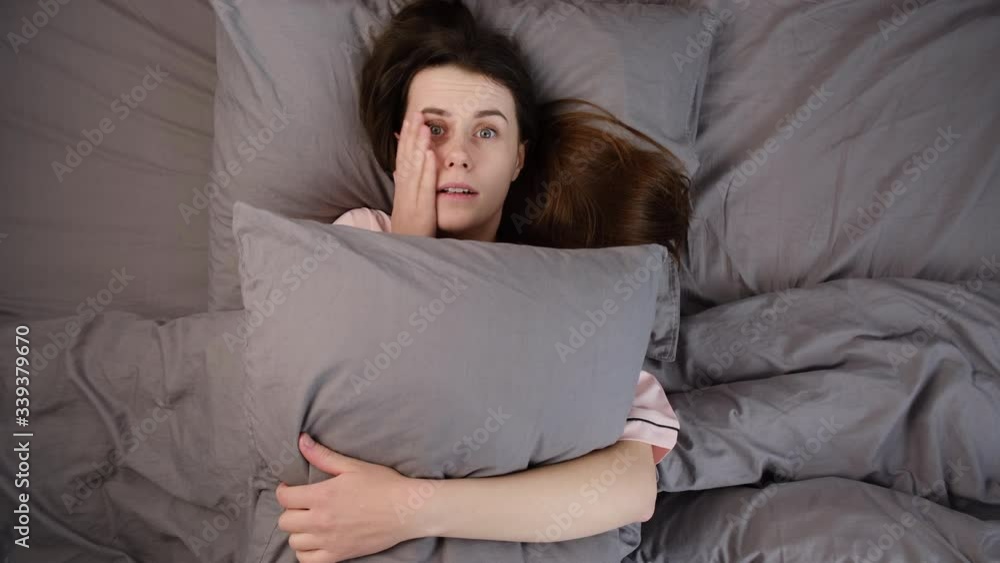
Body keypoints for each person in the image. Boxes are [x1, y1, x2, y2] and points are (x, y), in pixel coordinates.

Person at [275, 1, 692, 561]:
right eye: (435, 129)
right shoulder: (353, 239)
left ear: (519, 159)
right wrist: (412, 249)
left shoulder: (560, 284)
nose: (459, 157)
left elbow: (632, 486)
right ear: (400, 143)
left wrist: (410, 508)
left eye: (486, 132)